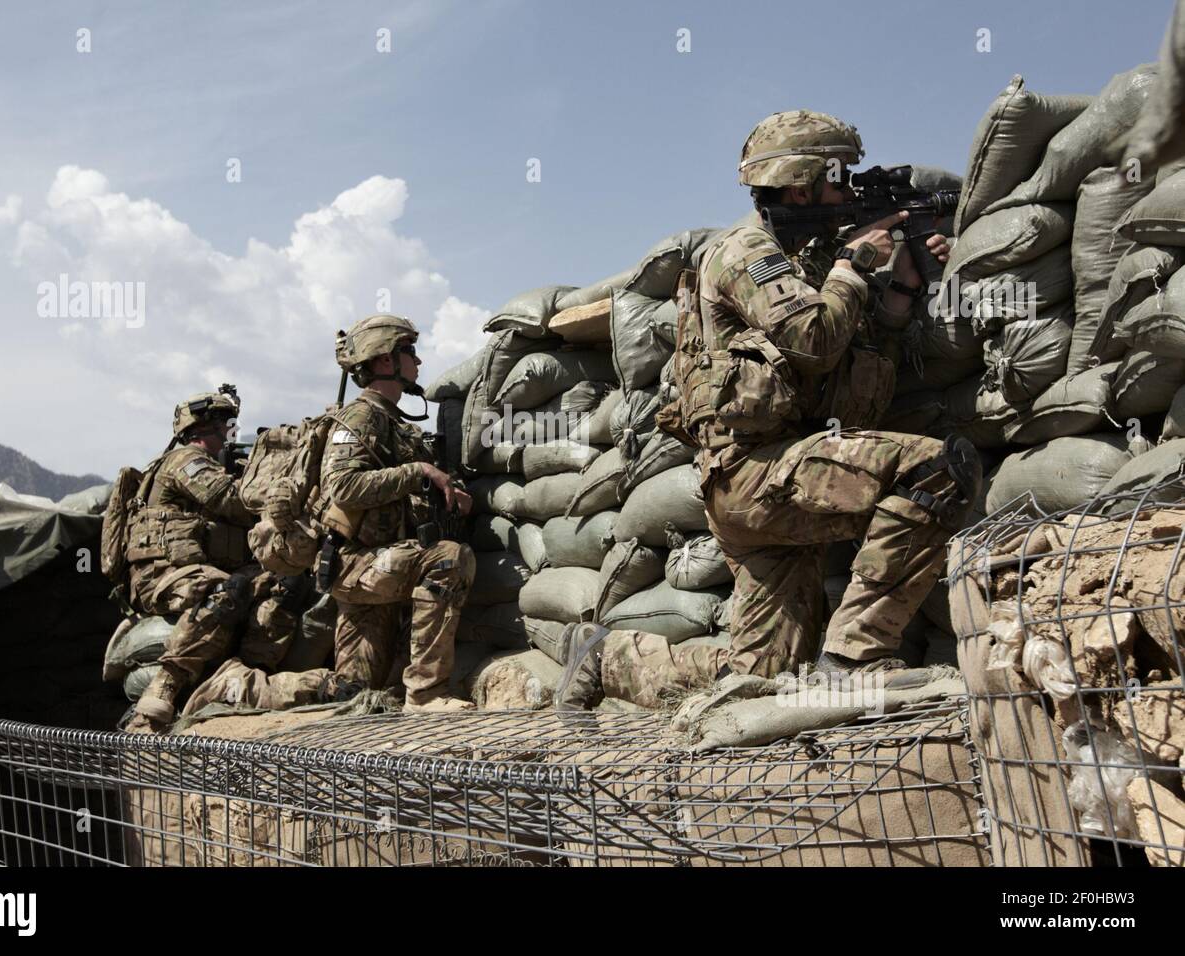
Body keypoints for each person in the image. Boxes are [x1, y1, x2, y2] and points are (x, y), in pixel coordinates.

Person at [558, 110, 982, 710]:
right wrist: (854, 268)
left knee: (760, 680)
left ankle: (604, 656)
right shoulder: (744, 253)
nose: (848, 194)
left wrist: (903, 287)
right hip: (756, 474)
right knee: (941, 467)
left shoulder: (805, 262)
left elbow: (858, 370)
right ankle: (857, 657)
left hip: (784, 477)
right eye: (839, 180)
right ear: (801, 184)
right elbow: (812, 339)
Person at [124, 388, 337, 732]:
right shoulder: (185, 461)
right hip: (162, 574)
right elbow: (231, 501)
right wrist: (282, 481)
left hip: (194, 569)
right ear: (206, 427)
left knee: (286, 580)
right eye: (226, 425)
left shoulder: (208, 463)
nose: (229, 433)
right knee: (227, 589)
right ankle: (164, 685)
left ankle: (251, 675)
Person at [317, 314, 478, 713]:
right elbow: (343, 486)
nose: (419, 363)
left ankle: (228, 686)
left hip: (384, 563)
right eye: (411, 352)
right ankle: (426, 694)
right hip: (359, 565)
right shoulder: (361, 416)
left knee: (356, 695)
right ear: (386, 361)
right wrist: (418, 471)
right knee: (449, 558)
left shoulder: (392, 422)